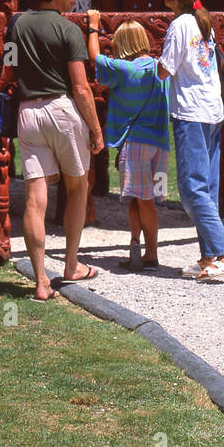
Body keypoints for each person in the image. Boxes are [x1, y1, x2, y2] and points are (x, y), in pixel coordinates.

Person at [8, 0, 104, 300]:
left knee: (35, 197)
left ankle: (40, 281)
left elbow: (8, 71)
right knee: (78, 187)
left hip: (28, 113)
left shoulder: (16, 25)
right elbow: (81, 88)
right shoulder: (69, 30)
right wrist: (96, 129)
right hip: (62, 110)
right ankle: (72, 264)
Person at [157, 0, 224, 281]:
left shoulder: (179, 25)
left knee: (192, 189)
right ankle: (208, 256)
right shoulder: (204, 22)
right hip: (213, 111)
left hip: (190, 112)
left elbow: (165, 70)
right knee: (208, 187)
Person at [86, 15, 170, 271]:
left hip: (136, 144)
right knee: (142, 198)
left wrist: (93, 26)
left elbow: (94, 58)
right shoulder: (160, 68)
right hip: (161, 144)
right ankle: (136, 246)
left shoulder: (125, 70)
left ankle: (151, 253)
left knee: (142, 200)